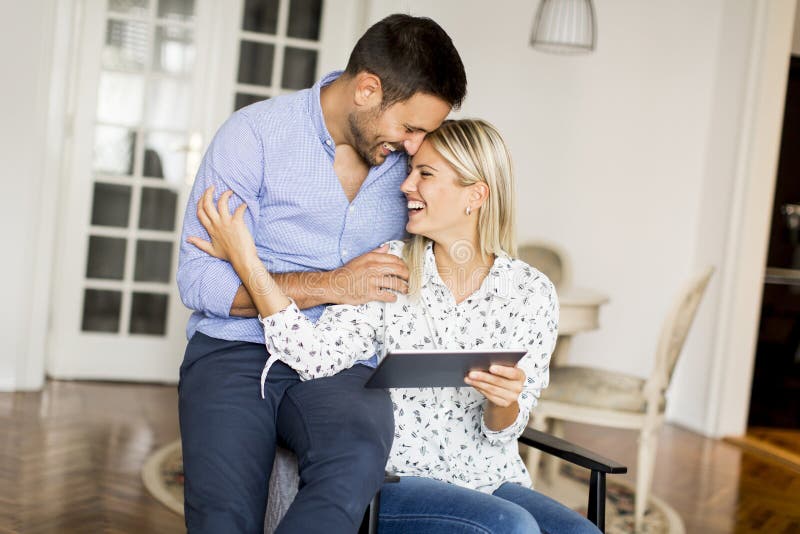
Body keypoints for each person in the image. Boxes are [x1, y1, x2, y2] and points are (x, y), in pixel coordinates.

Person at [188, 119, 602, 534]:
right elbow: (312, 357)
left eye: (425, 174)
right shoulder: (388, 267)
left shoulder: (531, 292)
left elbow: (502, 432)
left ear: (475, 195)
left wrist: (504, 402)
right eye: (409, 172)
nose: (406, 186)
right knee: (511, 528)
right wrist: (246, 259)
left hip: (492, 481)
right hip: (401, 481)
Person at [176, 14, 467, 534]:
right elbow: (199, 280)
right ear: (367, 89)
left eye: (426, 132)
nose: (414, 145)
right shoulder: (253, 137)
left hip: (343, 359)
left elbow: (461, 226)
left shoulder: (410, 167)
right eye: (409, 127)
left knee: (356, 461)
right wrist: (332, 284)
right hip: (235, 349)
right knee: (222, 515)